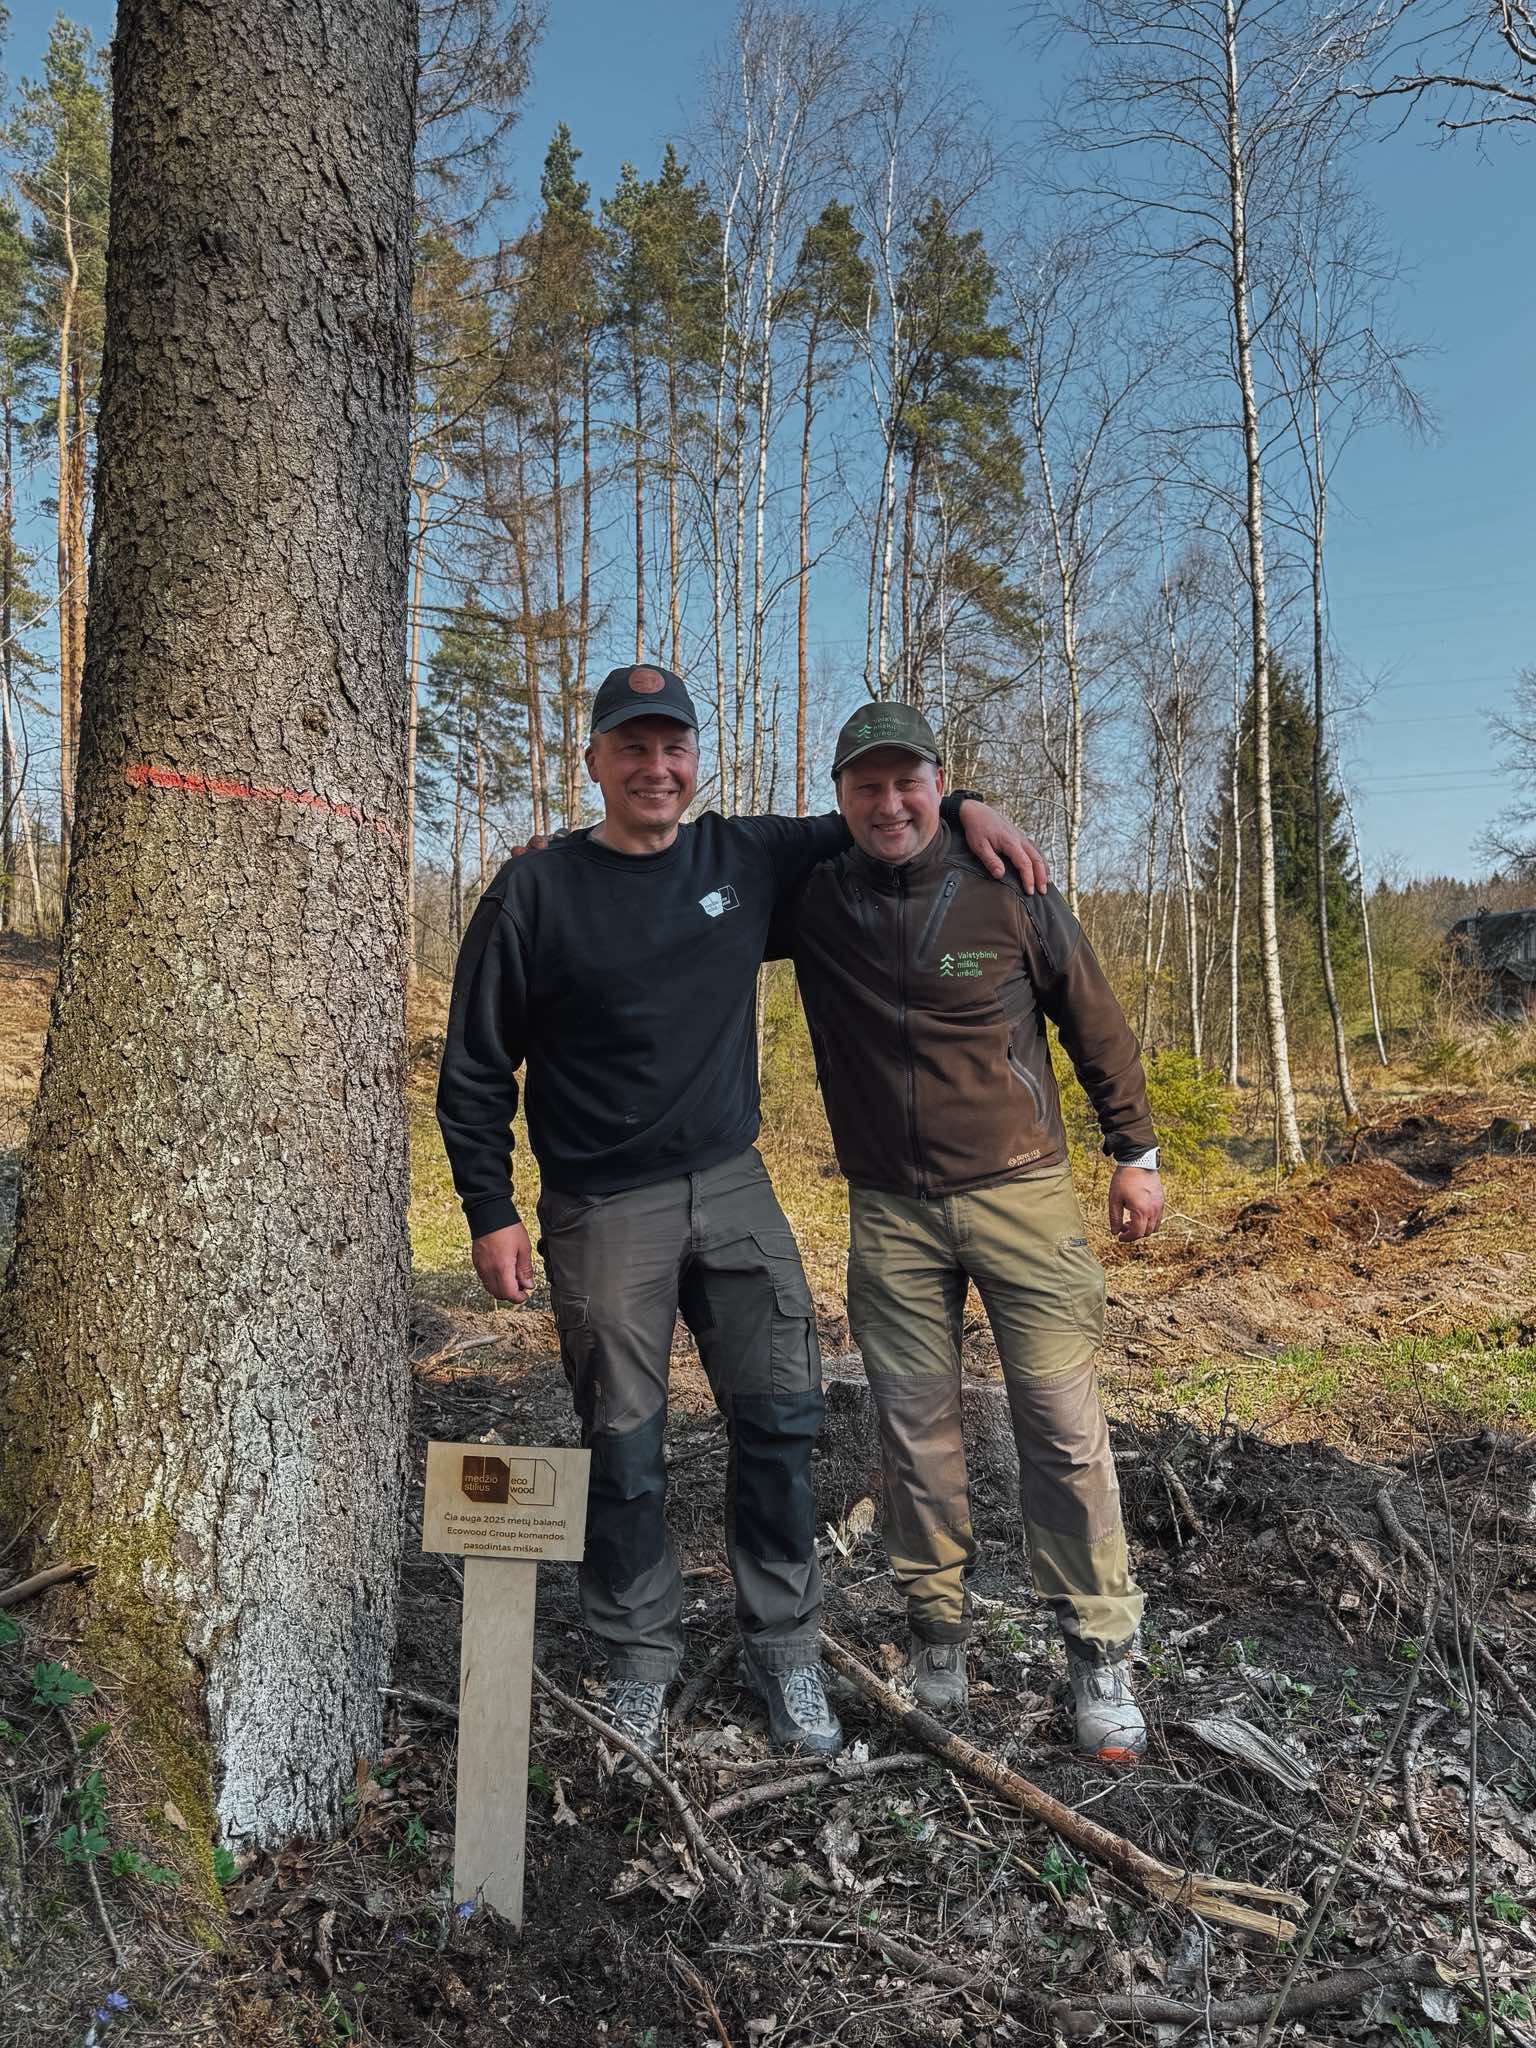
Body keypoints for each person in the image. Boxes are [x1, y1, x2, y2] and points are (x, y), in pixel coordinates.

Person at [435, 663, 1046, 1761]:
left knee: (781, 1417)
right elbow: (477, 1067)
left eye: (673, 746)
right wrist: (491, 1207)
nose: (655, 766)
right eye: (632, 747)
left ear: (695, 758)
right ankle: (637, 1656)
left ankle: (787, 1646)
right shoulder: (533, 892)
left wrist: (963, 803)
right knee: (624, 1439)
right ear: (595, 763)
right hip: (599, 1202)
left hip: (731, 1181)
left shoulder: (743, 857)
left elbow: (876, 815)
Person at [782, 702, 1163, 1760]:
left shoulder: (1010, 887)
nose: (889, 802)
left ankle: (1098, 1652)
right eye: (867, 785)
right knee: (913, 1428)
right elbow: (685, 874)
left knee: (1062, 1424)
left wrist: (1135, 1152)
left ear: (936, 781)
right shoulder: (813, 898)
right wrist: (565, 859)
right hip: (890, 1211)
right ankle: (936, 1637)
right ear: (843, 796)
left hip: (1024, 1194)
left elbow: (1092, 1016)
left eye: (911, 782)